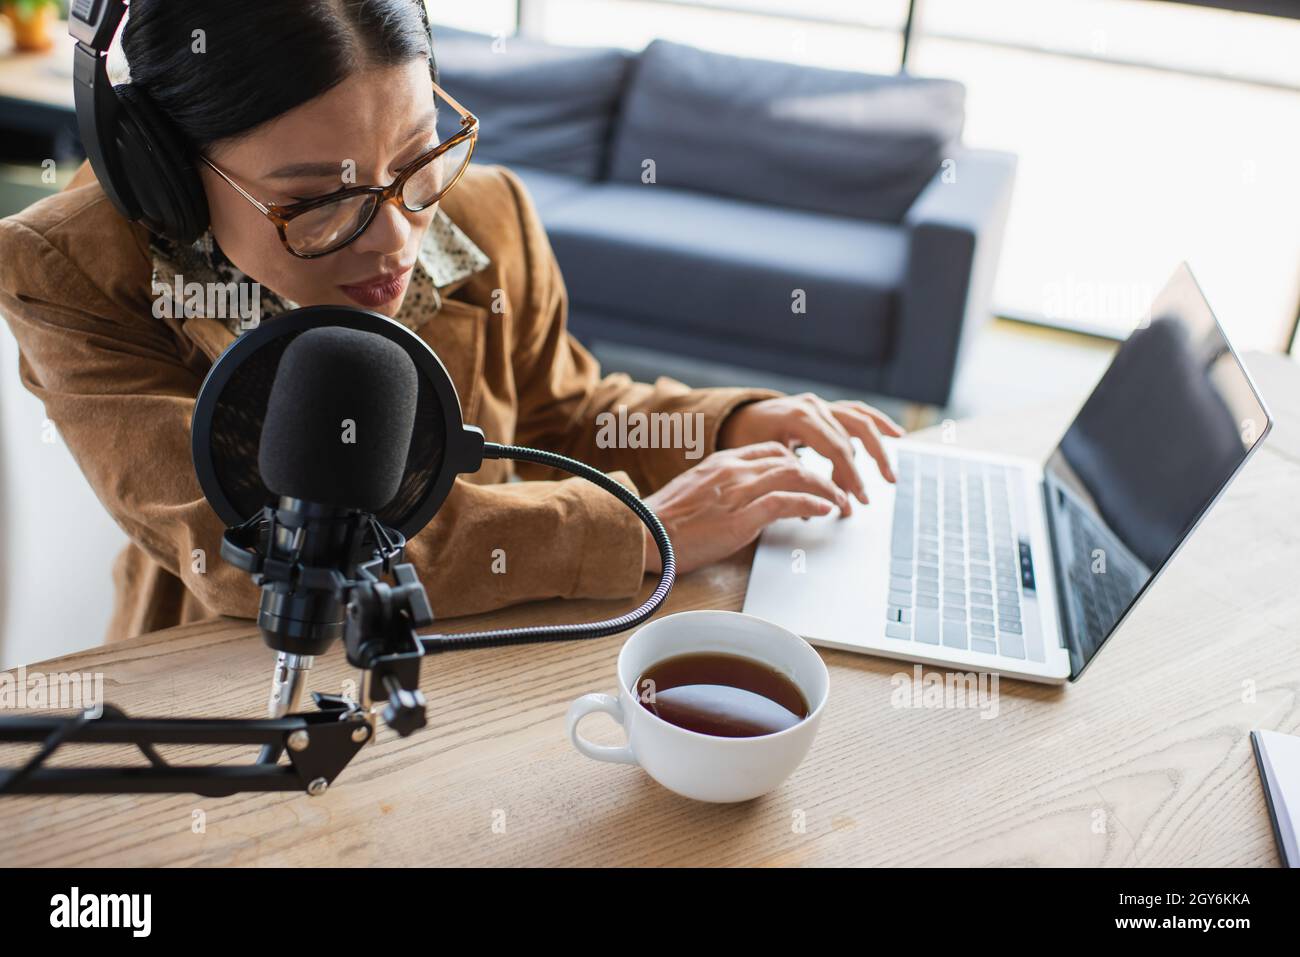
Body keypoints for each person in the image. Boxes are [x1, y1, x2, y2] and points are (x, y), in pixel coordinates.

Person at [0, 0, 900, 643]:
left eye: (418, 154)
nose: (397, 239)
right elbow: (250, 548)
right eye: (318, 199)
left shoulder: (488, 209)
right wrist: (636, 530)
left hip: (504, 637)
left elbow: (561, 413)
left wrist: (723, 425)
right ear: (164, 174)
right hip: (239, 671)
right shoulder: (71, 273)